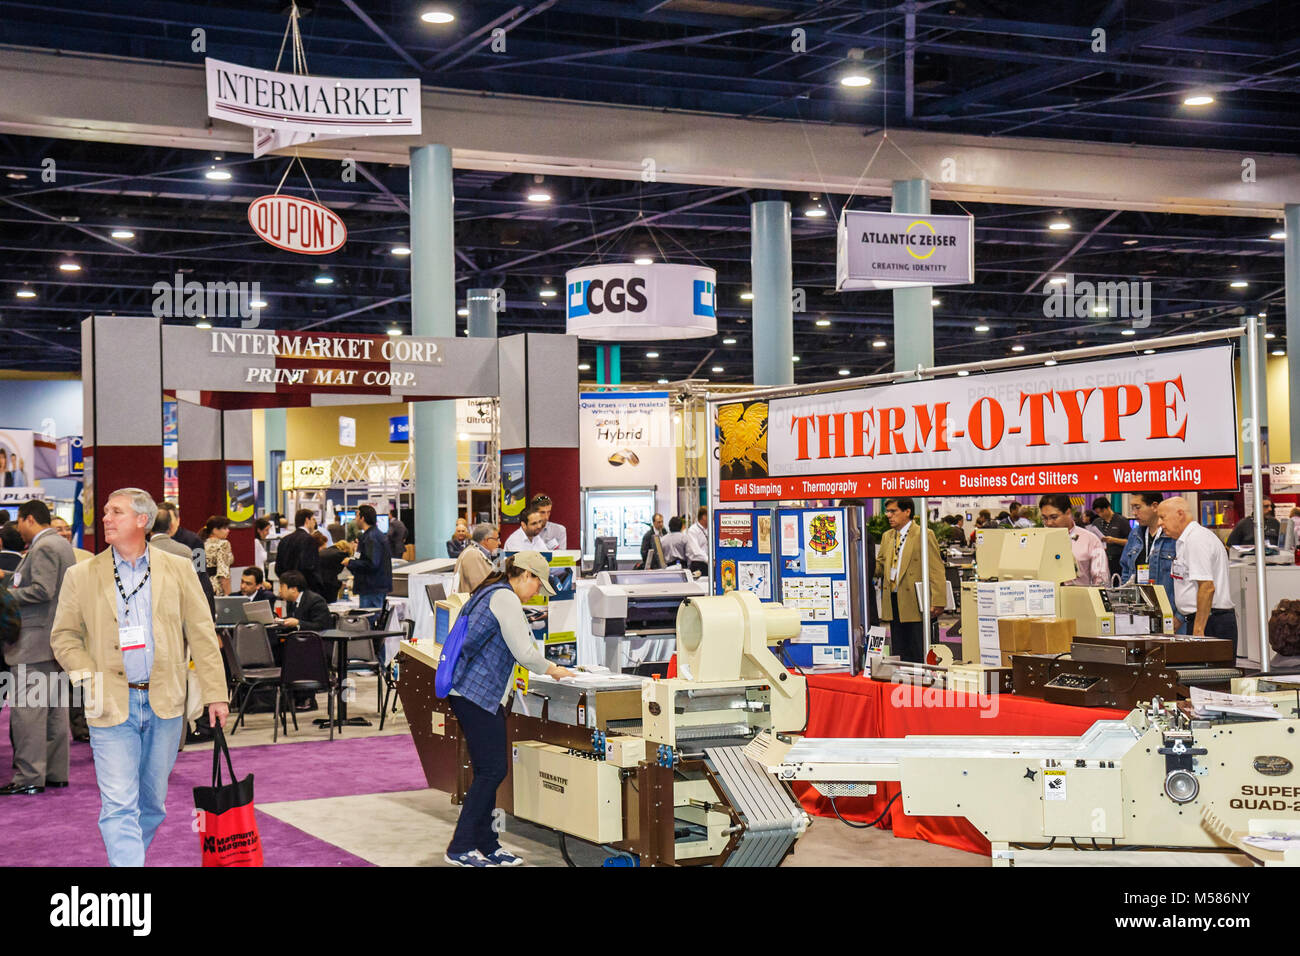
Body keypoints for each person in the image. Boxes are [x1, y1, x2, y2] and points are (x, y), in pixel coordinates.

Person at [50, 487, 228, 867]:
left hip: (165, 702)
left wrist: (217, 694)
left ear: (142, 520)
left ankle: (127, 860)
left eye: (116, 512)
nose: (106, 518)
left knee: (151, 804)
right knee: (117, 804)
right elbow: (63, 636)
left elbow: (201, 633)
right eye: (106, 511)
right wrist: (88, 678)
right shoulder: (81, 574)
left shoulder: (179, 568)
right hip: (110, 702)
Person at [443, 552, 575, 866]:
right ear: (526, 574)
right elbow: (524, 652)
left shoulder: (493, 591)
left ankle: (488, 843)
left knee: (489, 770)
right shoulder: (504, 597)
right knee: (492, 770)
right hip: (476, 695)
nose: (536, 595)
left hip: (472, 693)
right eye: (537, 586)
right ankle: (460, 847)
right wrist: (555, 668)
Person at [0, 500, 76, 795]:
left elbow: (43, 590)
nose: (17, 529)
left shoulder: (44, 547)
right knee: (55, 710)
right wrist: (9, 579)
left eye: (19, 522)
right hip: (52, 641)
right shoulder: (60, 545)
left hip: (34, 642)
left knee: (29, 713)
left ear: (28, 519)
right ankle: (55, 772)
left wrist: (7, 595)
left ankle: (29, 777)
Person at [875, 497, 945, 663]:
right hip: (893, 599)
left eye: (893, 511)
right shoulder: (887, 536)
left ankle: (921, 680)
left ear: (907, 512)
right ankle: (902, 681)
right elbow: (880, 565)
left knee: (918, 647)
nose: (888, 515)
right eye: (888, 511)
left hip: (915, 600)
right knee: (899, 647)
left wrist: (938, 599)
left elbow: (936, 568)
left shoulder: (924, 534)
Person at [1158, 496, 1236, 640]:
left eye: (1163, 517)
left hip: (1210, 622)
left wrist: (1198, 631)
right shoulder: (1185, 540)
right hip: (1203, 619)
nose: (1159, 523)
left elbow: (1207, 587)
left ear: (1180, 514)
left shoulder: (1196, 539)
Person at [1120, 492, 1177, 609]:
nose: (1134, 513)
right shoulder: (1135, 534)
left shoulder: (1173, 535)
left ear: (1155, 506)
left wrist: (1180, 616)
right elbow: (1126, 569)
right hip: (1138, 609)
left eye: (1138, 507)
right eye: (1132, 508)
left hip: (1168, 609)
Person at [1038, 494, 1109, 586]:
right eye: (1045, 518)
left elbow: (1101, 580)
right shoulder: (1039, 540)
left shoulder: (1090, 540)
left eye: (1054, 517)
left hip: (1079, 598)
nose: (1049, 523)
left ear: (1068, 513)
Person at [342, 504, 393, 614]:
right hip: (373, 586)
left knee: (368, 620)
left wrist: (350, 562)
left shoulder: (371, 538)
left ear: (362, 518)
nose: (355, 519)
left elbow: (372, 563)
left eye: (357, 516)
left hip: (371, 587)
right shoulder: (371, 536)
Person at [274, 509, 324, 595]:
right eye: (313, 519)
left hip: (287, 590)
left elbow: (278, 568)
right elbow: (310, 567)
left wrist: (287, 583)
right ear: (307, 520)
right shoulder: (309, 540)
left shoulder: (284, 540)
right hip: (305, 591)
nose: (314, 523)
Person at [1091, 497, 1132, 578]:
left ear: (1108, 507)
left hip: (1117, 560)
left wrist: (1113, 540)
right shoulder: (1096, 522)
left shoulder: (1121, 521)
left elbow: (1130, 542)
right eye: (1098, 513)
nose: (1100, 515)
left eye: (1102, 511)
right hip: (1101, 561)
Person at [455, 523, 500, 594]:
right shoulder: (473, 555)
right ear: (487, 540)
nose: (499, 543)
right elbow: (481, 588)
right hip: (471, 604)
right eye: (497, 539)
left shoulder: (475, 552)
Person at [200, 516, 234, 596]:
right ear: (215, 530)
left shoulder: (201, 543)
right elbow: (223, 573)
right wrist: (228, 595)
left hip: (201, 586)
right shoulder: (223, 544)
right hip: (216, 588)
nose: (228, 531)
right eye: (225, 528)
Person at [317, 536, 352, 602]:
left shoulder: (323, 551)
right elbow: (339, 570)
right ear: (345, 549)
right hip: (329, 585)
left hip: (318, 584)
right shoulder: (341, 554)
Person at [685, 506, 709, 577]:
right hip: (698, 564)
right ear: (704, 517)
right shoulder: (693, 530)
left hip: (709, 563)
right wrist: (708, 560)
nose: (713, 518)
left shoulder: (710, 528)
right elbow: (696, 550)